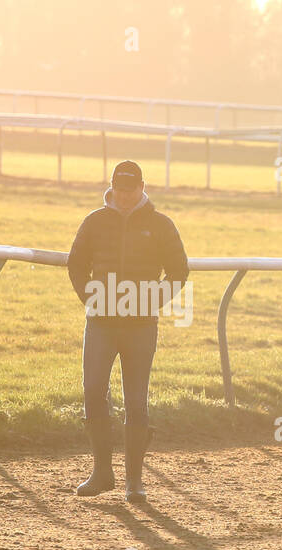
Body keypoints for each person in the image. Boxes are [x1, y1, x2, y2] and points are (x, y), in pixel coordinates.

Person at [66, 160, 188, 503]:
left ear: (142, 187)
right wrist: (90, 296)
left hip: (140, 326)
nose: (123, 195)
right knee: (93, 390)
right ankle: (102, 473)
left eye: (129, 189)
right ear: (112, 187)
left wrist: (151, 300)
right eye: (118, 189)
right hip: (101, 323)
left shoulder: (161, 225)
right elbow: (76, 264)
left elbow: (179, 271)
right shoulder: (94, 221)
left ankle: (134, 481)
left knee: (136, 400)